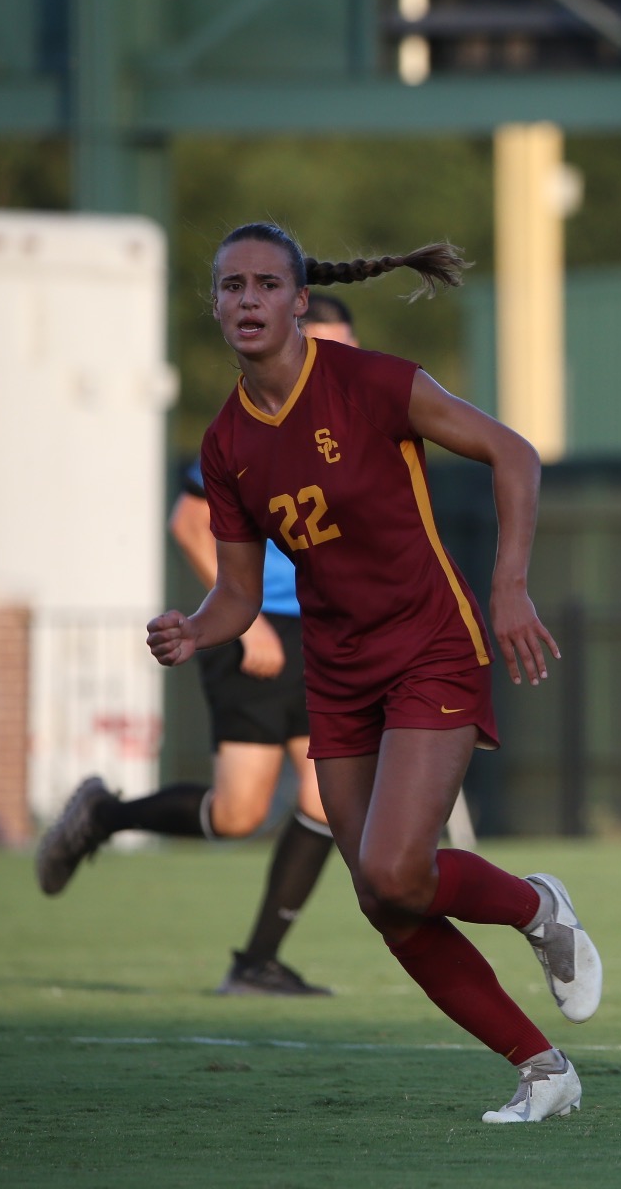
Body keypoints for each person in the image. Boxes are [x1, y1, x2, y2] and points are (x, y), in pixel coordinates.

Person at [138, 222, 601, 1122]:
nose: (246, 300)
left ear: (299, 299)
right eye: (231, 286)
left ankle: (538, 906)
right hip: (338, 669)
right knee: (387, 901)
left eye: (266, 284)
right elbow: (236, 592)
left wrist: (509, 585)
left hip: (430, 642)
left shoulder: (369, 381)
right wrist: (194, 630)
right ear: (216, 304)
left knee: (396, 869)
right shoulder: (228, 441)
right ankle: (544, 1069)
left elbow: (515, 451)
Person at [37, 296, 371, 996]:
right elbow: (188, 524)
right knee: (237, 814)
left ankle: (256, 962)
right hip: (250, 624)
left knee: (326, 795)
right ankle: (104, 816)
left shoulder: (355, 424)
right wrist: (244, 623)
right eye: (324, 345)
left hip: (323, 627)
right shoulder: (250, 422)